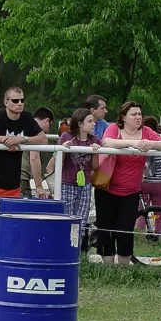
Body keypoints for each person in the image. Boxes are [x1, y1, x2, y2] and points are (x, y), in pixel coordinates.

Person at [0, 87, 48, 257]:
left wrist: (22, 139)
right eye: (15, 101)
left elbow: (42, 138)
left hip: (13, 182)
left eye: (22, 100)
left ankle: (7, 258)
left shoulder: (27, 118)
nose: (19, 104)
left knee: (12, 223)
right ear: (6, 102)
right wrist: (2, 139)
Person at [98, 102, 161, 265]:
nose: (138, 117)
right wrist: (131, 144)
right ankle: (107, 268)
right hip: (107, 188)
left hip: (131, 191)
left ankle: (124, 269)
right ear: (124, 117)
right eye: (134, 114)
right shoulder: (114, 128)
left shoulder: (146, 131)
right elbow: (107, 142)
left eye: (140, 114)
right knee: (106, 229)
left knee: (125, 231)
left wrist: (150, 144)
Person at [58, 107, 102, 251]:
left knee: (82, 218)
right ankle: (64, 249)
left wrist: (96, 151)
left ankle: (76, 250)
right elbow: (59, 163)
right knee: (67, 217)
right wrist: (63, 149)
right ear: (80, 123)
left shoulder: (94, 139)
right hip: (67, 183)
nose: (93, 124)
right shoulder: (66, 136)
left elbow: (95, 166)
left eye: (93, 121)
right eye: (89, 121)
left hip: (85, 184)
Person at [135, 115, 161, 238]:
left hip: (143, 180)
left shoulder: (141, 140)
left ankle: (140, 231)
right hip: (160, 181)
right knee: (160, 210)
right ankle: (160, 234)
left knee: (142, 209)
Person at [19, 106, 55, 199]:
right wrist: (39, 186)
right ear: (46, 121)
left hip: (8, 174)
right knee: (23, 211)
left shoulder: (22, 125)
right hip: (21, 178)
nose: (49, 130)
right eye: (50, 125)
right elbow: (34, 157)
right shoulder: (35, 131)